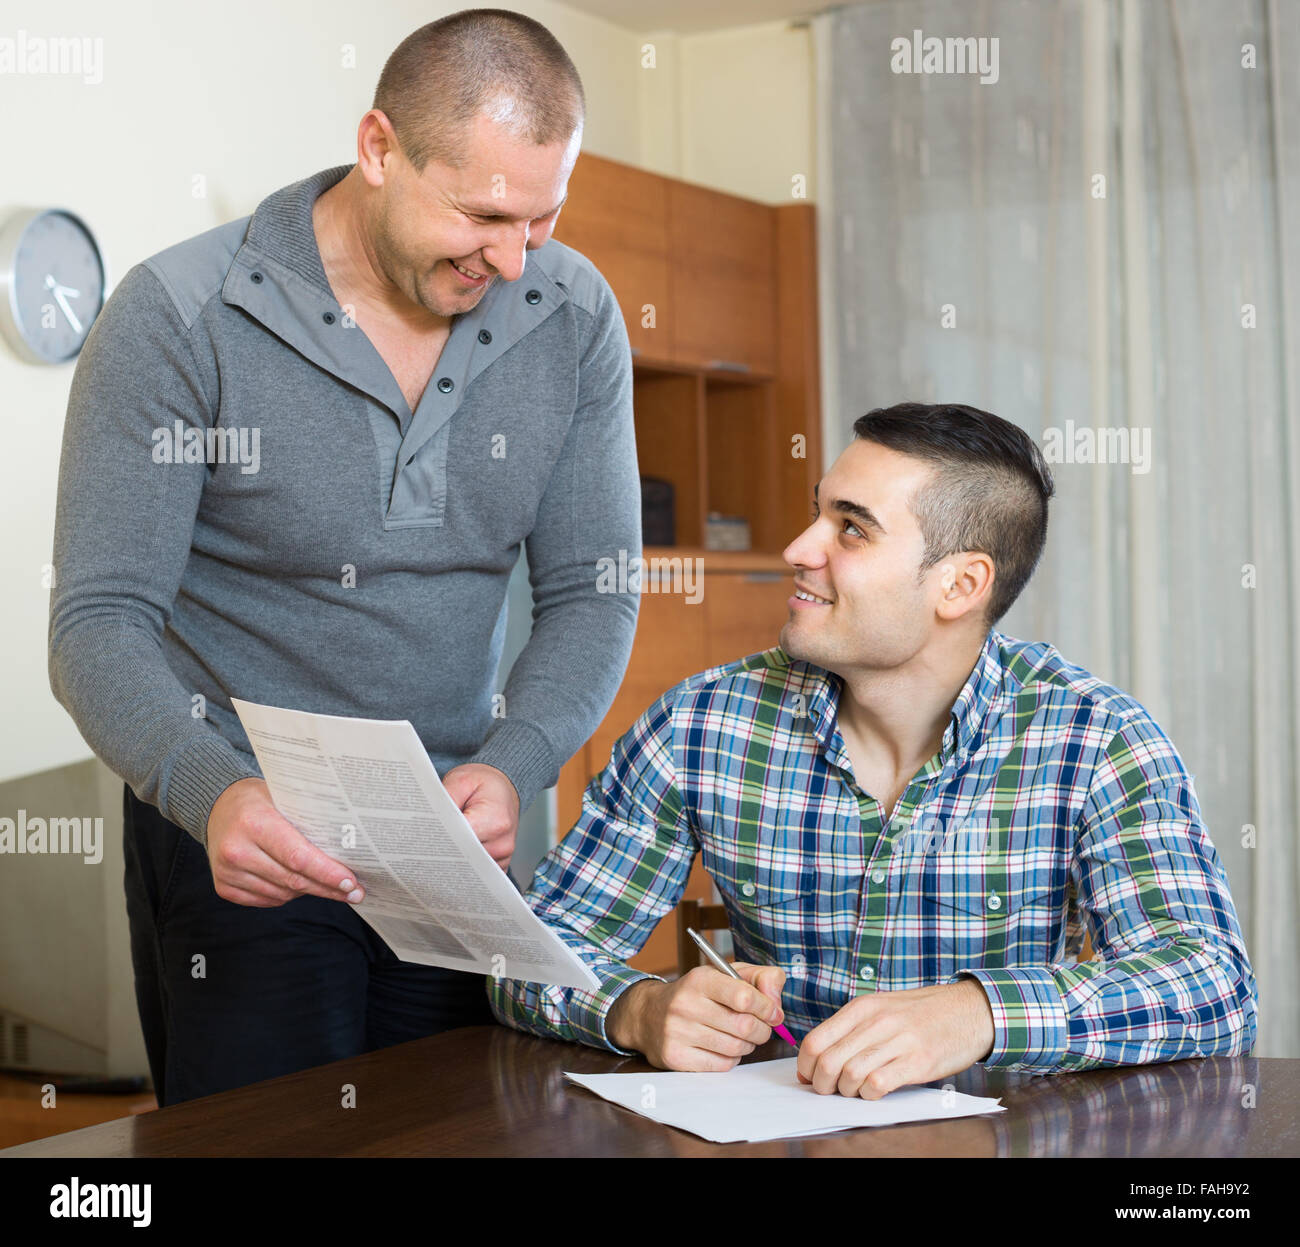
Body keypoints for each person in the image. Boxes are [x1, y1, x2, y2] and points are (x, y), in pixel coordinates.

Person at [48, 10, 641, 1106]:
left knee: (458, 1129)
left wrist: (519, 758)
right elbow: (99, 620)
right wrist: (209, 790)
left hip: (452, 839)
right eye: (485, 214)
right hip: (240, 819)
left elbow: (592, 594)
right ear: (379, 149)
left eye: (544, 216)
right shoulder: (180, 313)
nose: (513, 258)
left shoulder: (574, 313)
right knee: (268, 1145)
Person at [489, 402, 1257, 1099]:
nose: (799, 547)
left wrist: (978, 1014)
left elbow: (1214, 986)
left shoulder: (1098, 740)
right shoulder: (700, 723)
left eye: (851, 528)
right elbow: (522, 953)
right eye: (816, 513)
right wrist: (637, 1005)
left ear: (960, 585)